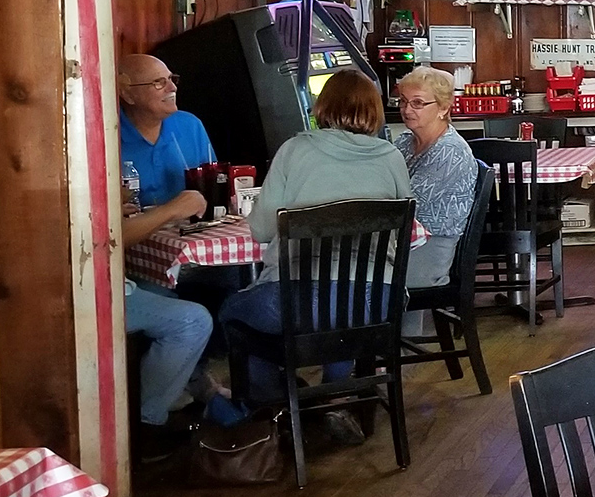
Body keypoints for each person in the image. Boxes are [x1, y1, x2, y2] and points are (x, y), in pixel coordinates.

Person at [219, 69, 412, 444]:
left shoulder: (295, 150)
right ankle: (331, 397)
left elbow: (259, 230)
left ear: (321, 107)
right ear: (374, 110)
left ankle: (285, 403)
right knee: (343, 314)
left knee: (231, 314)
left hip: (297, 300)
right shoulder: (391, 156)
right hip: (378, 303)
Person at [123, 189, 219, 462]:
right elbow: (107, 238)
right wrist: (172, 209)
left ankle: (189, 384)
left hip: (107, 282)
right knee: (193, 321)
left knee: (172, 293)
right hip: (92, 290)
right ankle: (145, 424)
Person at [394, 67, 476, 289]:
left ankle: (395, 324)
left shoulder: (450, 151)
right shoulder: (403, 142)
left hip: (429, 247)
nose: (407, 109)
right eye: (403, 101)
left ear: (443, 107)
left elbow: (409, 205)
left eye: (418, 103)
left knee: (352, 270)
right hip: (399, 239)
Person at [119, 54, 215, 207]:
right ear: (128, 95)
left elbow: (213, 186)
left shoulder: (190, 125)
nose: (173, 88)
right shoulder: (108, 135)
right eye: (159, 82)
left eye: (171, 79)